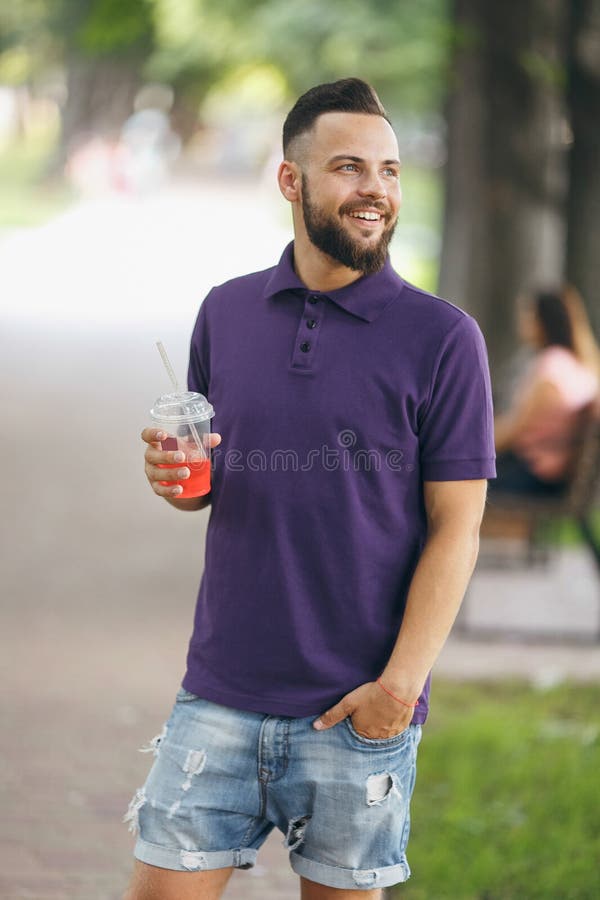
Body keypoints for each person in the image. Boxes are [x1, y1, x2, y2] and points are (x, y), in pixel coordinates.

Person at [123, 78, 496, 900]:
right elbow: (206, 488)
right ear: (291, 181)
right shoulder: (225, 313)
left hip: (355, 713)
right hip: (218, 693)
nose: (376, 189)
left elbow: (456, 529)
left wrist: (396, 692)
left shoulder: (443, 339)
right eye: (350, 167)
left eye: (391, 170)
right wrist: (174, 482)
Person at [491, 286, 600, 496]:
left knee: (452, 481)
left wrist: (464, 447)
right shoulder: (581, 366)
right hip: (558, 475)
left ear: (542, 321)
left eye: (527, 315)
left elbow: (513, 430)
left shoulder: (550, 368)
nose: (522, 323)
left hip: (535, 476)